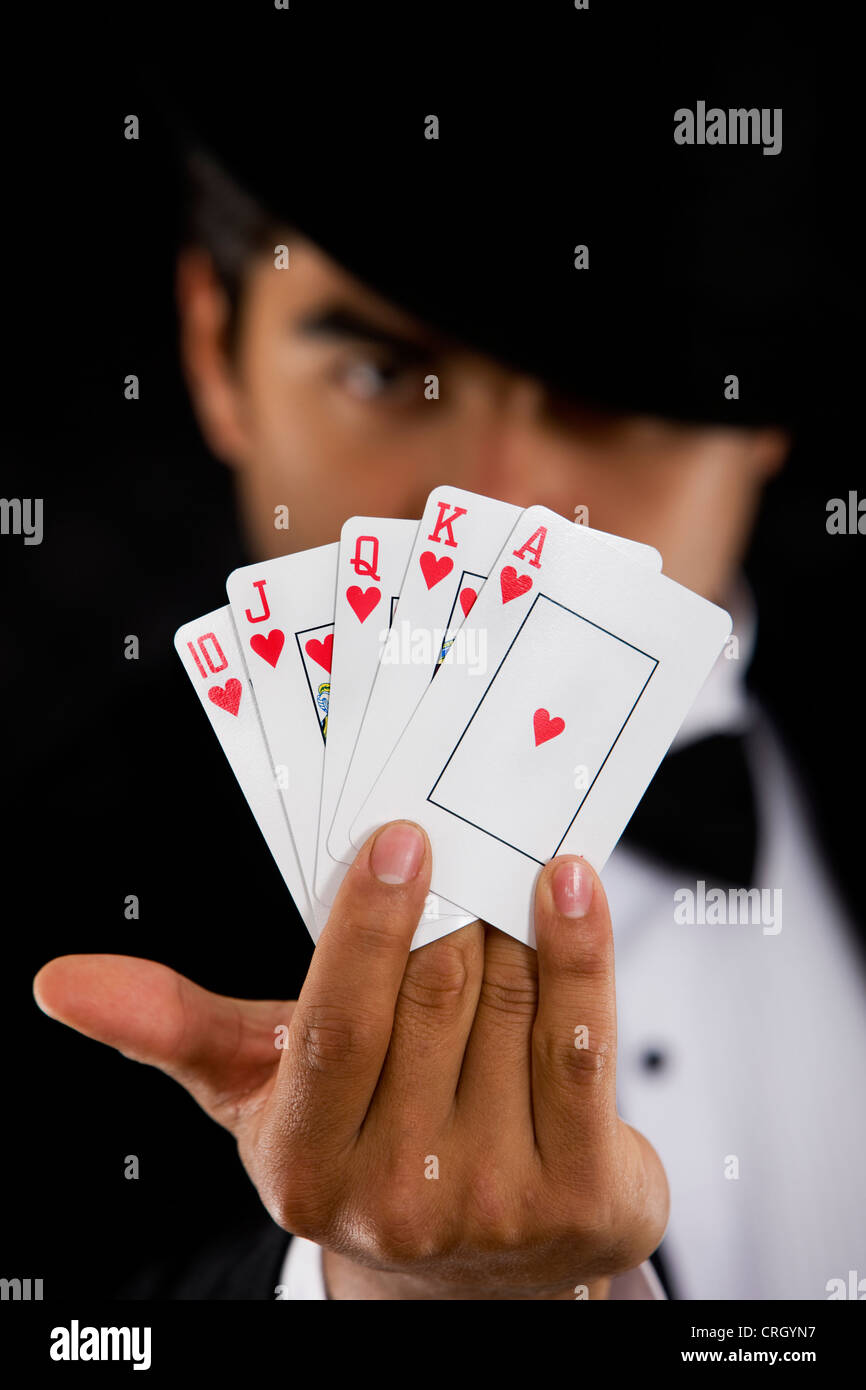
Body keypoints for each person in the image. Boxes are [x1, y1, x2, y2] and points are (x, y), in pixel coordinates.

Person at [31, 60, 866, 1301]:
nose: (497, 507)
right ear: (214, 350)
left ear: (762, 406)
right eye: (378, 374)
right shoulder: (50, 872)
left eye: (604, 394)